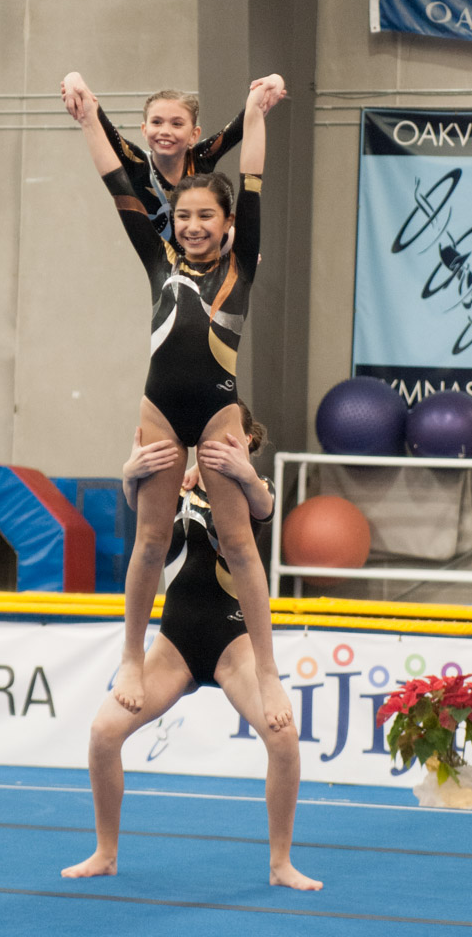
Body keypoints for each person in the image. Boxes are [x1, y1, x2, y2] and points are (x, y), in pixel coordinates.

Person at [69, 78, 289, 731]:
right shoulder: (157, 259)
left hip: (220, 411)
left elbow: (251, 175)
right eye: (184, 217)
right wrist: (87, 119)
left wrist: (253, 111)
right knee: (150, 540)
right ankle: (132, 656)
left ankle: (268, 668)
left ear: (226, 227)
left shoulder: (242, 267)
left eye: (205, 219)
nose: (192, 227)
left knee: (241, 546)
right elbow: (118, 185)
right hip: (160, 408)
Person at [61, 404, 323, 891]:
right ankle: (105, 852)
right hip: (175, 644)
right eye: (210, 439)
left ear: (245, 441)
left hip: (233, 644)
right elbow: (144, 527)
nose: (215, 445)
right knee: (102, 733)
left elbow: (263, 506)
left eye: (229, 438)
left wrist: (243, 470)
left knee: (283, 740)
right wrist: (129, 474)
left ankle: (281, 862)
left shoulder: (250, 490)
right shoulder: (175, 488)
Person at [61, 70, 286, 244]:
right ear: (144, 129)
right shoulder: (136, 162)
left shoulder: (201, 156)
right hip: (164, 257)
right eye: (156, 122)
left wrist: (275, 81)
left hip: (214, 247)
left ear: (193, 134)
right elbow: (96, 119)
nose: (165, 131)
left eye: (177, 124)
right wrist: (73, 79)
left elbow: (244, 121)